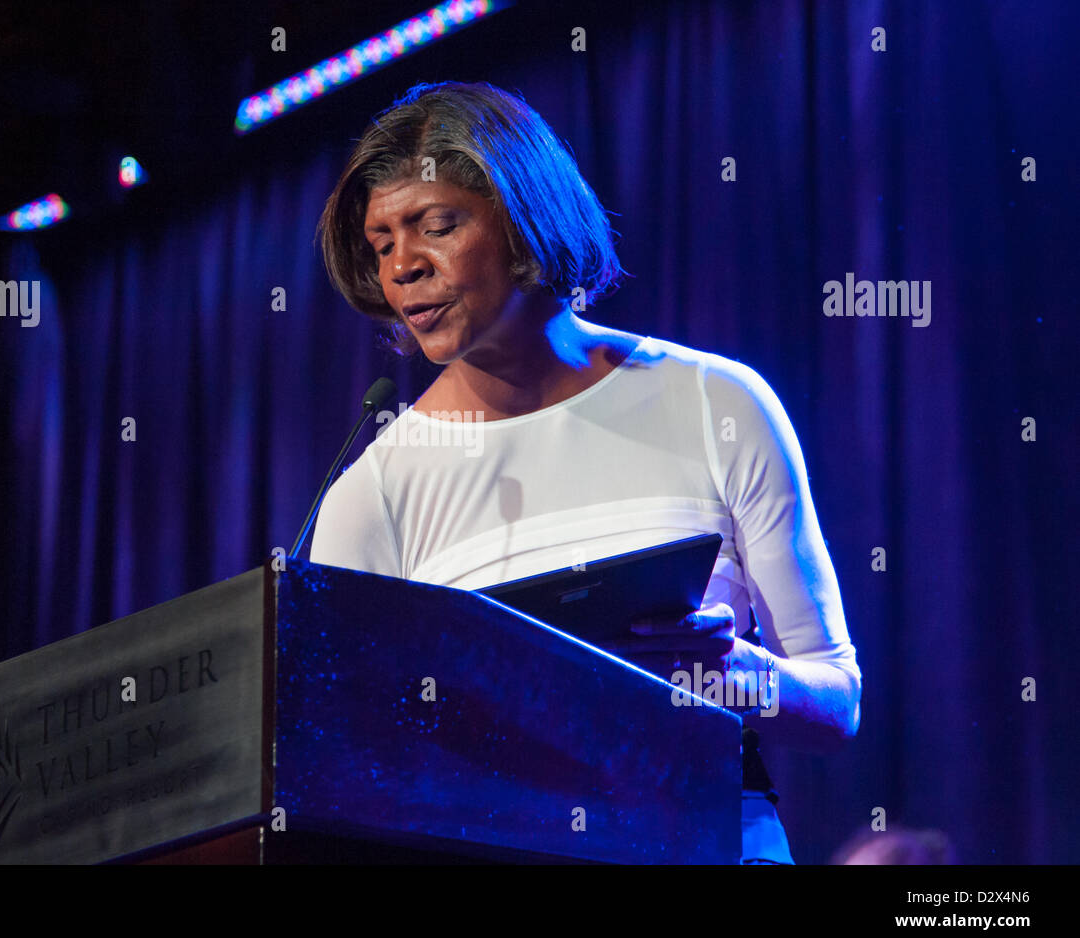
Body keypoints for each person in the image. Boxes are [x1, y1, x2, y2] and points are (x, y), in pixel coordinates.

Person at [310, 80, 861, 864]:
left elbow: (836, 703)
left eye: (435, 226)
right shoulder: (374, 494)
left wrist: (728, 675)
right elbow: (345, 765)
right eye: (382, 242)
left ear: (524, 222)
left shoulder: (716, 403)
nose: (403, 267)